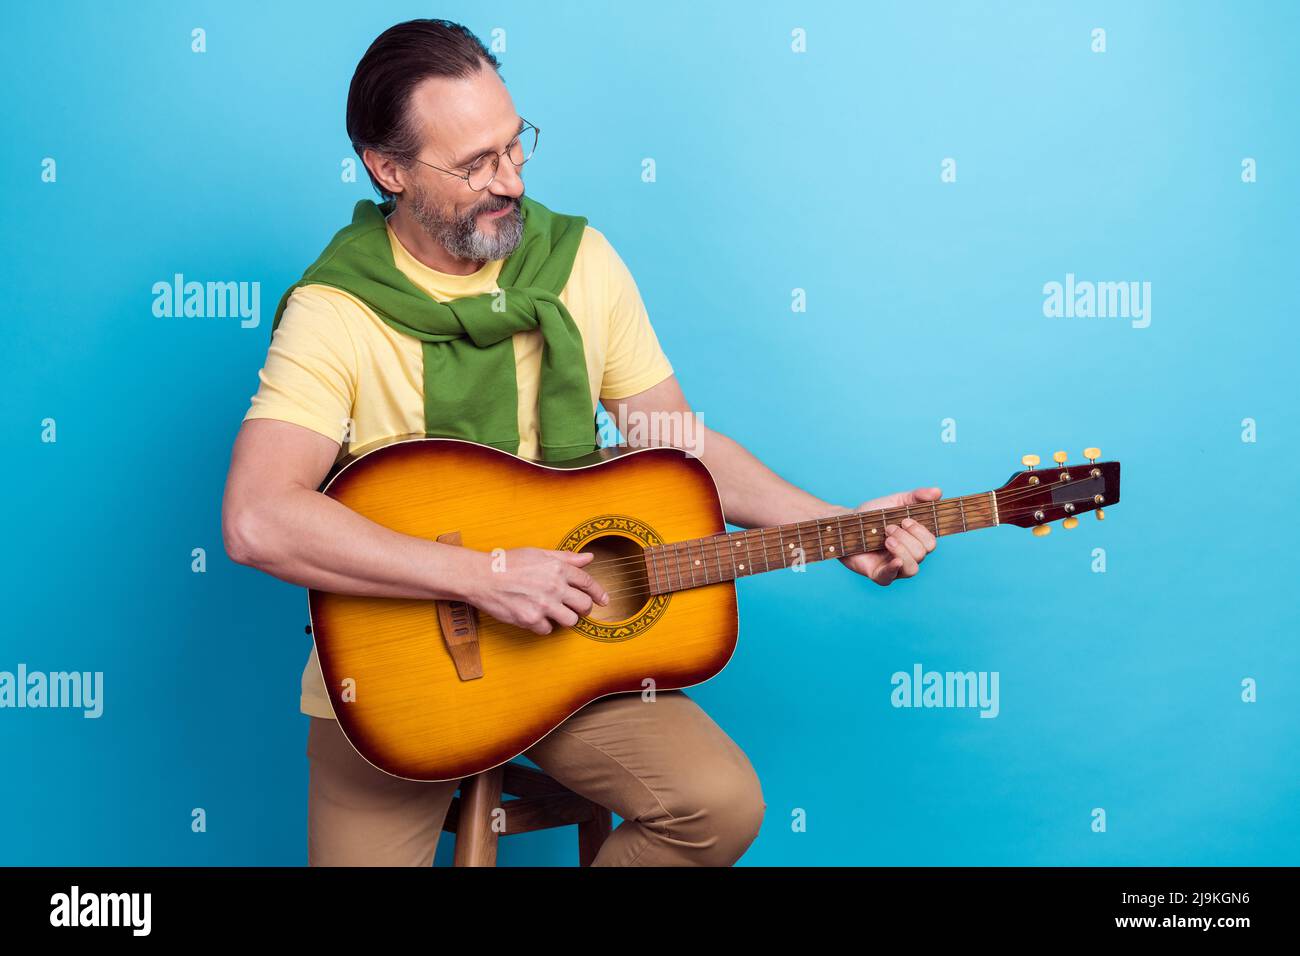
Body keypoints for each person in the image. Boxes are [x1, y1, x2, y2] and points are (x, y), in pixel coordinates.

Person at [221, 18, 939, 867]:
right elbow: (259, 519)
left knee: (719, 805)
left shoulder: (578, 264)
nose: (511, 181)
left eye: (515, 146)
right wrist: (483, 577)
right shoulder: (335, 311)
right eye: (477, 163)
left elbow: (676, 444)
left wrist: (841, 527)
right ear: (389, 170)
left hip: (568, 648)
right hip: (391, 676)